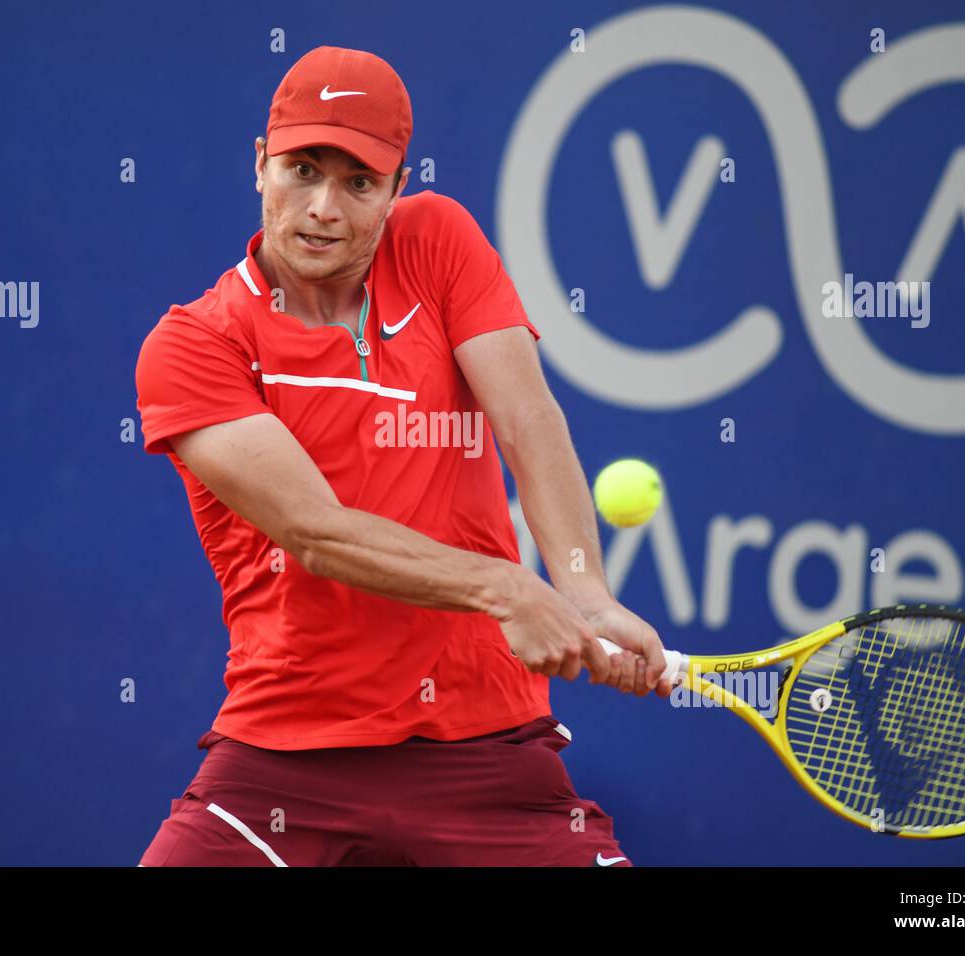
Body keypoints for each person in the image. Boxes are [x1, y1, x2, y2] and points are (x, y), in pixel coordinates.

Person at [134, 45, 671, 867]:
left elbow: (528, 417)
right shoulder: (193, 346)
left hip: (489, 750)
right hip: (283, 764)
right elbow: (317, 532)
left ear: (395, 191)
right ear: (259, 164)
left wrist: (586, 593)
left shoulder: (437, 240)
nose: (323, 208)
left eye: (359, 182)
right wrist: (503, 588)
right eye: (302, 169)